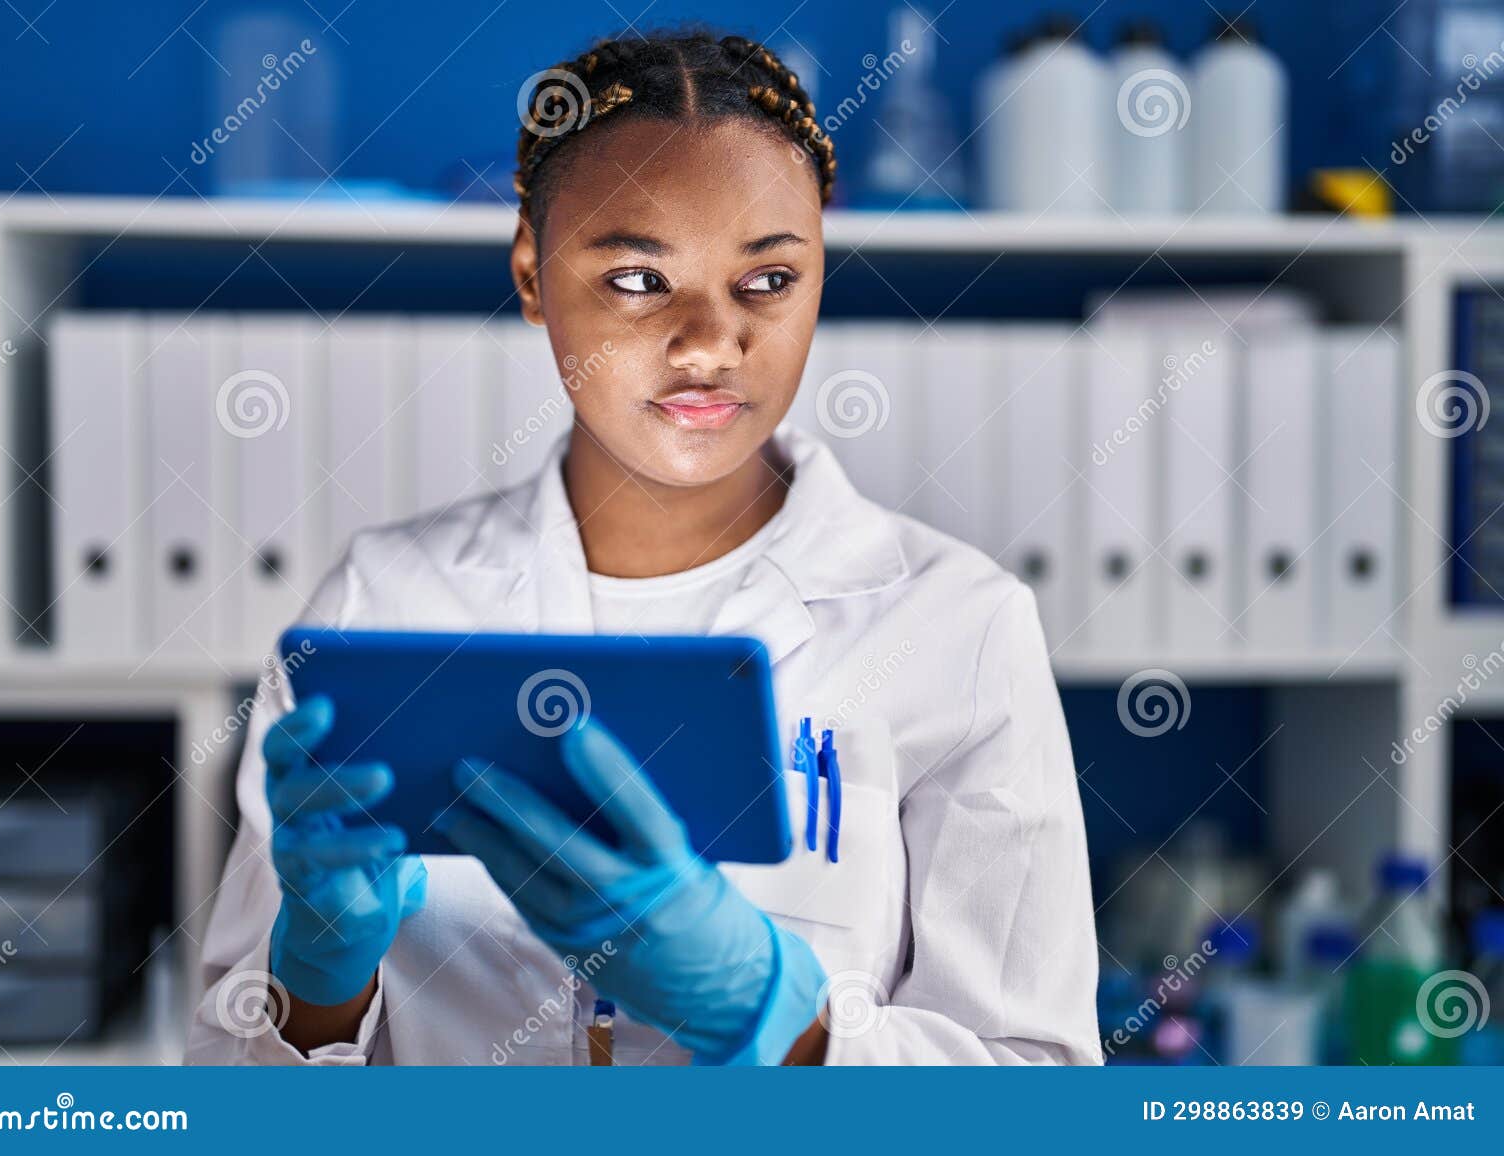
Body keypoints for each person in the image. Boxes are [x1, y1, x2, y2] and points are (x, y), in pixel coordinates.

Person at [187, 29, 1101, 1066]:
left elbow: (1040, 1087)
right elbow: (226, 1092)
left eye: (766, 281)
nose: (710, 341)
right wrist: (318, 987)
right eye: (634, 278)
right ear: (533, 276)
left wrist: (778, 1019)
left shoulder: (956, 621)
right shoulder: (388, 603)